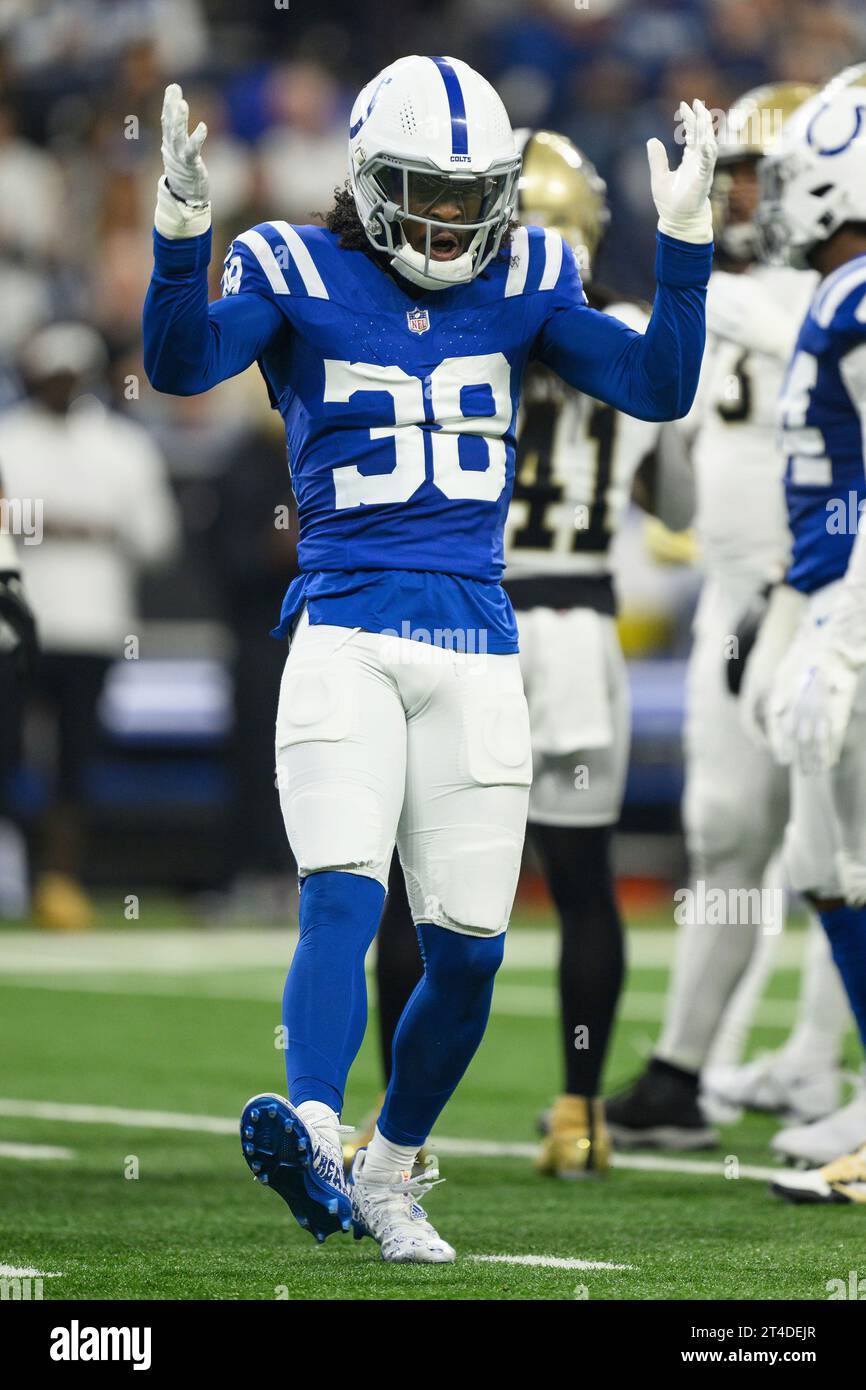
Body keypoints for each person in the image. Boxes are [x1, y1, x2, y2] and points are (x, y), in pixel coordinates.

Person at [143, 57, 716, 1260]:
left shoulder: (530, 277)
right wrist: (182, 232)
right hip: (344, 626)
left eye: (470, 195)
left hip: (478, 637)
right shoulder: (292, 266)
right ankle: (308, 1124)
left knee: (468, 952)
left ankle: (390, 1169)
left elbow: (656, 386)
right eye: (426, 192)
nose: (451, 219)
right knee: (341, 892)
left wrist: (684, 242)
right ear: (367, 178)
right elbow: (183, 363)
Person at [344, 129, 697, 1181]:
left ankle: (392, 1121)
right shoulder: (621, 328)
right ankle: (578, 1109)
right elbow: (674, 501)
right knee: (581, 884)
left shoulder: (455, 323)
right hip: (579, 636)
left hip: (467, 615)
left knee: (422, 884)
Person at [604, 83, 850, 1150]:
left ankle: (811, 1061)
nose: (748, 191)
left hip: (831, 593)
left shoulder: (816, 292)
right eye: (741, 172)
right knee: (725, 835)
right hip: (742, 599)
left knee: (835, 845)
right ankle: (684, 1064)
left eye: (759, 173)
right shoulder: (742, 303)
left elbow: (786, 315)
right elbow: (679, 484)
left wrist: (679, 270)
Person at [728, 74, 866, 1204]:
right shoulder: (835, 291)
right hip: (828, 589)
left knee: (854, 863)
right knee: (824, 866)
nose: (777, 200)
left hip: (856, 603)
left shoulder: (859, 290)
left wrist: (840, 640)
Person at [0, 322, 180, 929]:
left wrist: (57, 525)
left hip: (93, 626)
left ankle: (60, 879)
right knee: (7, 752)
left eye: (71, 376)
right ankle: (18, 870)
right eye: (52, 375)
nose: (61, 386)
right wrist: (65, 525)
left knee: (75, 761)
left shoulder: (123, 447)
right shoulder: (9, 438)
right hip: (15, 629)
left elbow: (157, 537)